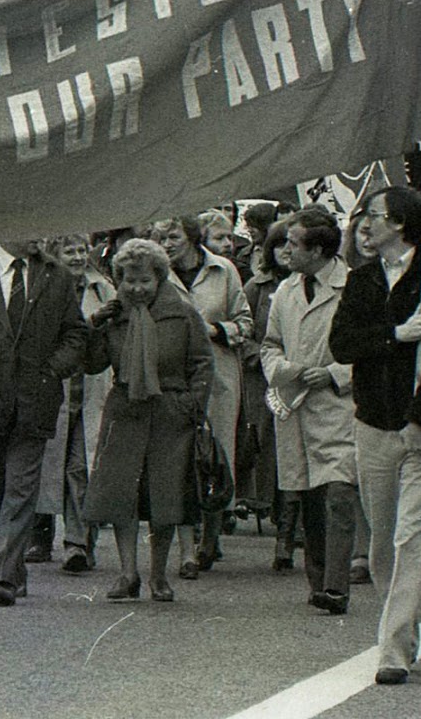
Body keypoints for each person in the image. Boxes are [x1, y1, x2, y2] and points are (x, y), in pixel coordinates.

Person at [328, 185, 421, 686]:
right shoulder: (362, 281)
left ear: (401, 224)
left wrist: (420, 421)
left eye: (375, 216)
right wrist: (396, 335)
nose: (366, 224)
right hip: (372, 425)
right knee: (385, 537)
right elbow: (342, 344)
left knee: (411, 535)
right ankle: (401, 629)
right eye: (364, 216)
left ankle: (392, 649)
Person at [77, 239, 214, 602]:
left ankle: (158, 576)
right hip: (125, 410)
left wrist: (190, 405)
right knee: (122, 497)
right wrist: (94, 325)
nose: (136, 289)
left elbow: (202, 363)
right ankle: (127, 574)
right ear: (118, 281)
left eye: (145, 281)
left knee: (164, 499)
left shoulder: (182, 313)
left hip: (170, 413)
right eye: (128, 281)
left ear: (159, 279)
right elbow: (92, 363)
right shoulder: (115, 316)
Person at [0, 239, 89, 606]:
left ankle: (5, 575)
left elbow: (76, 333)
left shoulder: (55, 276)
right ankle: (12, 569)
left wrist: (53, 369)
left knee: (21, 486)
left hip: (35, 398)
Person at [260, 207, 359, 616]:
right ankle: (317, 581)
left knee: (338, 493)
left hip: (339, 407)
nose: (285, 251)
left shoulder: (353, 287)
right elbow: (269, 344)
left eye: (293, 244)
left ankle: (336, 586)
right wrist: (280, 371)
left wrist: (336, 374)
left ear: (318, 249)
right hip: (295, 406)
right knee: (311, 500)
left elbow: (373, 348)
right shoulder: (285, 291)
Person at [152, 215, 252, 577]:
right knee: (177, 455)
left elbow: (245, 323)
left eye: (173, 236)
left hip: (219, 377)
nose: (167, 243)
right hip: (175, 379)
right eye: (160, 237)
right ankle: (186, 540)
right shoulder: (158, 275)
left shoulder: (223, 271)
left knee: (215, 453)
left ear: (192, 238)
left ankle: (211, 535)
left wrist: (214, 329)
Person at [34, 233, 116, 573]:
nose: (79, 256)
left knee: (81, 466)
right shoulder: (46, 285)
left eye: (83, 250)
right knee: (46, 464)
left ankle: (78, 542)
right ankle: (39, 538)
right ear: (55, 253)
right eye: (70, 250)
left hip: (92, 386)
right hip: (57, 385)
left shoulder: (103, 289)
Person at [242, 220, 297, 569]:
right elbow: (245, 332)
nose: (286, 253)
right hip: (263, 382)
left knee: (292, 460)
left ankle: (287, 538)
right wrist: (261, 359)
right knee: (264, 452)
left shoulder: (304, 285)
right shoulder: (257, 287)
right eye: (279, 246)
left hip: (300, 380)